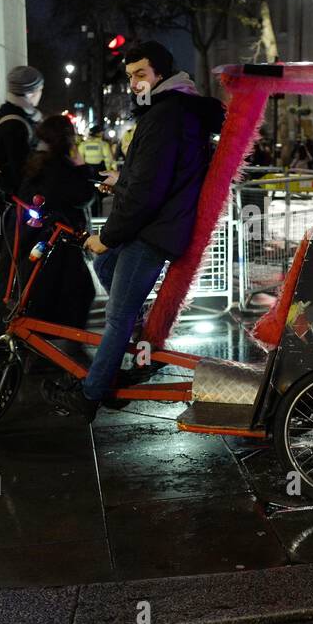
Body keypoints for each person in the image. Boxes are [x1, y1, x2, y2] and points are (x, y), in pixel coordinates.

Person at [45, 41, 223, 426]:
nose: (134, 83)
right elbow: (156, 177)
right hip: (156, 222)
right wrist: (122, 180)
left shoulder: (166, 115)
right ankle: (141, 341)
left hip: (154, 231)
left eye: (140, 74)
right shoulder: (171, 111)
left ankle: (92, 394)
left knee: (116, 314)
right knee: (107, 269)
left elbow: (149, 190)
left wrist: (106, 235)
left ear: (160, 72)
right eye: (129, 77)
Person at [16, 114, 97, 333]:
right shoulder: (62, 169)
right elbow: (83, 196)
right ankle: (64, 347)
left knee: (44, 296)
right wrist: (82, 167)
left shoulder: (35, 165)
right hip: (60, 242)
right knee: (79, 292)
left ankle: (45, 347)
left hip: (39, 242)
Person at [0, 65, 44, 335]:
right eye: (40, 89)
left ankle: (9, 328)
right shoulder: (14, 123)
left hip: (10, 204)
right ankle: (2, 331)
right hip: (13, 206)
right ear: (32, 92)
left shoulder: (9, 116)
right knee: (11, 270)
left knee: (15, 269)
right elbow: (20, 170)